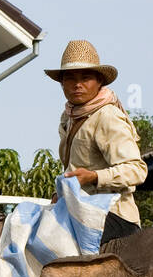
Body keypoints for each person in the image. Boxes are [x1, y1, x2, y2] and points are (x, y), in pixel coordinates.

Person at [46, 40, 147, 245]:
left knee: (54, 243)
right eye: (70, 78)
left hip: (114, 215)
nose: (77, 84)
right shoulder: (68, 118)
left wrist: (93, 177)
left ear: (99, 81)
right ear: (62, 83)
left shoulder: (107, 115)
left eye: (86, 77)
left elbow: (136, 170)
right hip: (81, 209)